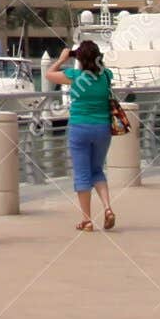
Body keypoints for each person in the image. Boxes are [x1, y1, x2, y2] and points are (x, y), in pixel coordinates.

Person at [45, 40, 117, 231]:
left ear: (80, 59)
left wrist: (62, 59)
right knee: (97, 170)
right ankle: (108, 208)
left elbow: (48, 74)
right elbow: (102, 70)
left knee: (82, 174)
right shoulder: (106, 76)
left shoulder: (75, 76)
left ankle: (87, 220)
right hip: (102, 128)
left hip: (80, 128)